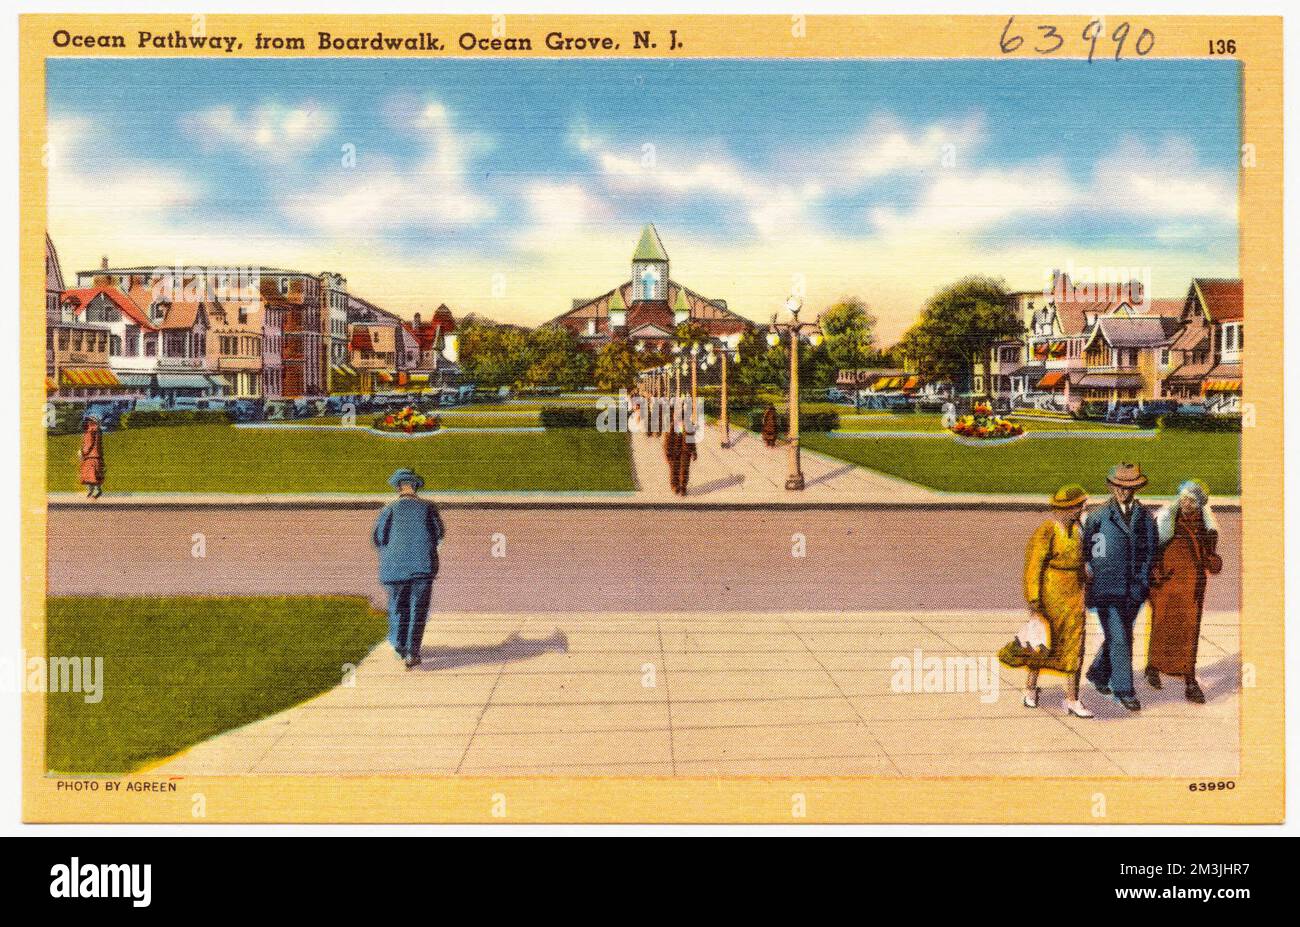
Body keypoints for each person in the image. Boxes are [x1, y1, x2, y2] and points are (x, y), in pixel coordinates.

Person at [998, 485, 1093, 718]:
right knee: (1041, 644)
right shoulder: (1047, 531)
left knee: (1074, 645)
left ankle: (1072, 698)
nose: (1081, 510)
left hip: (1074, 595)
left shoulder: (1079, 530)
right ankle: (1030, 688)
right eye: (1078, 506)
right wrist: (1033, 600)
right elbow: (1034, 567)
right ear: (1067, 508)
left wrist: (1086, 573)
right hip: (1051, 596)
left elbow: (1083, 559)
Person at [1083, 462, 1159, 712]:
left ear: (1136, 488)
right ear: (1111, 486)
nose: (1123, 492)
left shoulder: (1145, 517)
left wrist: (1143, 581)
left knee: (1120, 635)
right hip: (1107, 590)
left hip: (1134, 590)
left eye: (1128, 488)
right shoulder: (1098, 516)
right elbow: (1088, 553)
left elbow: (1150, 552)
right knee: (1121, 638)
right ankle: (1124, 690)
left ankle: (1097, 673)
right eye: (1119, 487)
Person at [1145, 480, 1223, 703]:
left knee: (1189, 628)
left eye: (1191, 500)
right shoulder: (1166, 518)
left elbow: (1210, 554)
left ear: (1199, 503)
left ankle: (1189, 679)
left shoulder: (1207, 527)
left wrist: (1212, 560)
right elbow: (1152, 547)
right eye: (1184, 497)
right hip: (1167, 581)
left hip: (1192, 584)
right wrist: (1155, 572)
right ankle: (1154, 666)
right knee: (1162, 624)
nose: (1186, 502)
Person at [373, 468, 445, 669]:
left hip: (395, 568)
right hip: (422, 566)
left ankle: (400, 645)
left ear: (398, 487)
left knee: (398, 607)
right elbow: (439, 533)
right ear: (415, 486)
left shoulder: (389, 509)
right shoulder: (428, 508)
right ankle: (412, 651)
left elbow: (379, 538)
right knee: (418, 609)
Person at [79, 414, 105, 499]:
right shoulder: (98, 430)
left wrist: (82, 452)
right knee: (96, 474)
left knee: (89, 475)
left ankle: (91, 491)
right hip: (97, 456)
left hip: (90, 456)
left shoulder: (89, 431)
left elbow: (88, 444)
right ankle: (97, 489)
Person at [677, 412, 699, 496]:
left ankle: (683, 487)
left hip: (686, 452)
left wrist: (694, 452)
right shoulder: (676, 427)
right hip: (677, 451)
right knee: (677, 469)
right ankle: (678, 485)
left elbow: (692, 441)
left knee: (684, 470)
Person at [664, 405, 683, 493]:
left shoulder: (684, 427)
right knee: (674, 470)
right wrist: (667, 453)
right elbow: (667, 442)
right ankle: (674, 486)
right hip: (673, 452)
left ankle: (680, 485)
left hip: (682, 452)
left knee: (681, 470)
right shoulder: (671, 427)